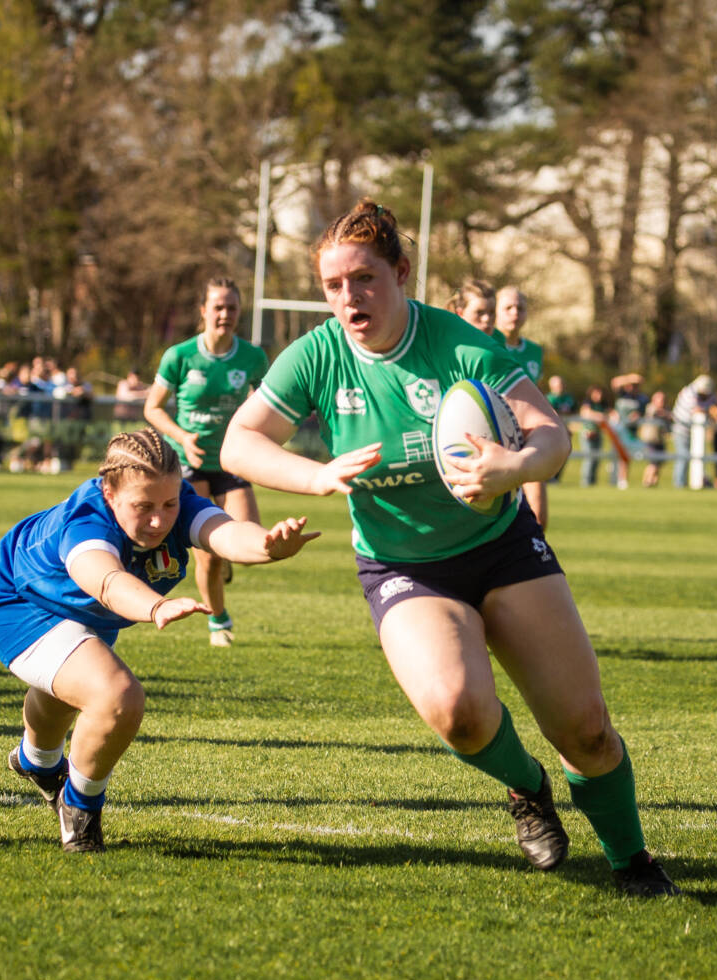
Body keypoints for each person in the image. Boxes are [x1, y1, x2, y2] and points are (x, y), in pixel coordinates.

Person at [222, 199, 677, 895]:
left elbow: (549, 433)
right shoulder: (318, 355)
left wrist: (515, 467)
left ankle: (632, 861)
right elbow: (240, 442)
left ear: (402, 273)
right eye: (334, 285)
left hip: (501, 547)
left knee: (586, 731)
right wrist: (316, 476)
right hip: (403, 566)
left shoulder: (458, 343)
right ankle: (526, 786)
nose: (349, 297)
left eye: (365, 279)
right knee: (459, 714)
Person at [0, 429, 318, 850]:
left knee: (67, 692)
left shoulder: (178, 500)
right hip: (18, 601)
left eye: (169, 505)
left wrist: (267, 546)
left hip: (81, 610)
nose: (159, 520)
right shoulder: (86, 521)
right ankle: (79, 807)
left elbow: (225, 534)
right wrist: (155, 606)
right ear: (109, 493)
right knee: (117, 695)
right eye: (143, 507)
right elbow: (106, 582)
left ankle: (36, 762)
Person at [142, 278, 268, 647]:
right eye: (218, 307)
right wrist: (182, 437)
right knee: (208, 557)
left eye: (232, 308)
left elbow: (265, 405)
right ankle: (218, 620)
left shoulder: (253, 358)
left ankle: (227, 559)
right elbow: (152, 408)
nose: (225, 314)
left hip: (230, 460)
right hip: (189, 461)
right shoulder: (179, 356)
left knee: (253, 545)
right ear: (203, 311)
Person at [495, 287, 552, 522]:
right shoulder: (486, 342)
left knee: (539, 515)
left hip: (525, 435)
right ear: (496, 311)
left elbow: (535, 393)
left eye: (520, 308)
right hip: (494, 434)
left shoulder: (534, 350)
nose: (514, 313)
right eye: (508, 307)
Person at [671, 374, 715, 488]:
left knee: (698, 456)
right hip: (681, 430)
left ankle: (697, 480)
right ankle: (679, 483)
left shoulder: (706, 395)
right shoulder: (688, 393)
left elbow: (713, 406)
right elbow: (697, 410)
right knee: (683, 455)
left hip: (696, 432)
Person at [577, 384, 610, 487]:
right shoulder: (588, 402)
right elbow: (585, 413)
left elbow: (609, 414)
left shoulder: (603, 404)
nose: (599, 395)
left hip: (598, 434)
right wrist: (600, 416)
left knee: (596, 459)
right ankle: (586, 482)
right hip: (587, 433)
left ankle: (593, 482)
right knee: (589, 458)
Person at [638, 390, 670, 488]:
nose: (662, 402)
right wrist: (667, 414)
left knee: (658, 463)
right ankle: (647, 481)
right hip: (650, 440)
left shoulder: (665, 410)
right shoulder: (650, 408)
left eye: (663, 400)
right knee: (653, 463)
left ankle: (653, 482)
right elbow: (656, 413)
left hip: (660, 440)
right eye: (660, 400)